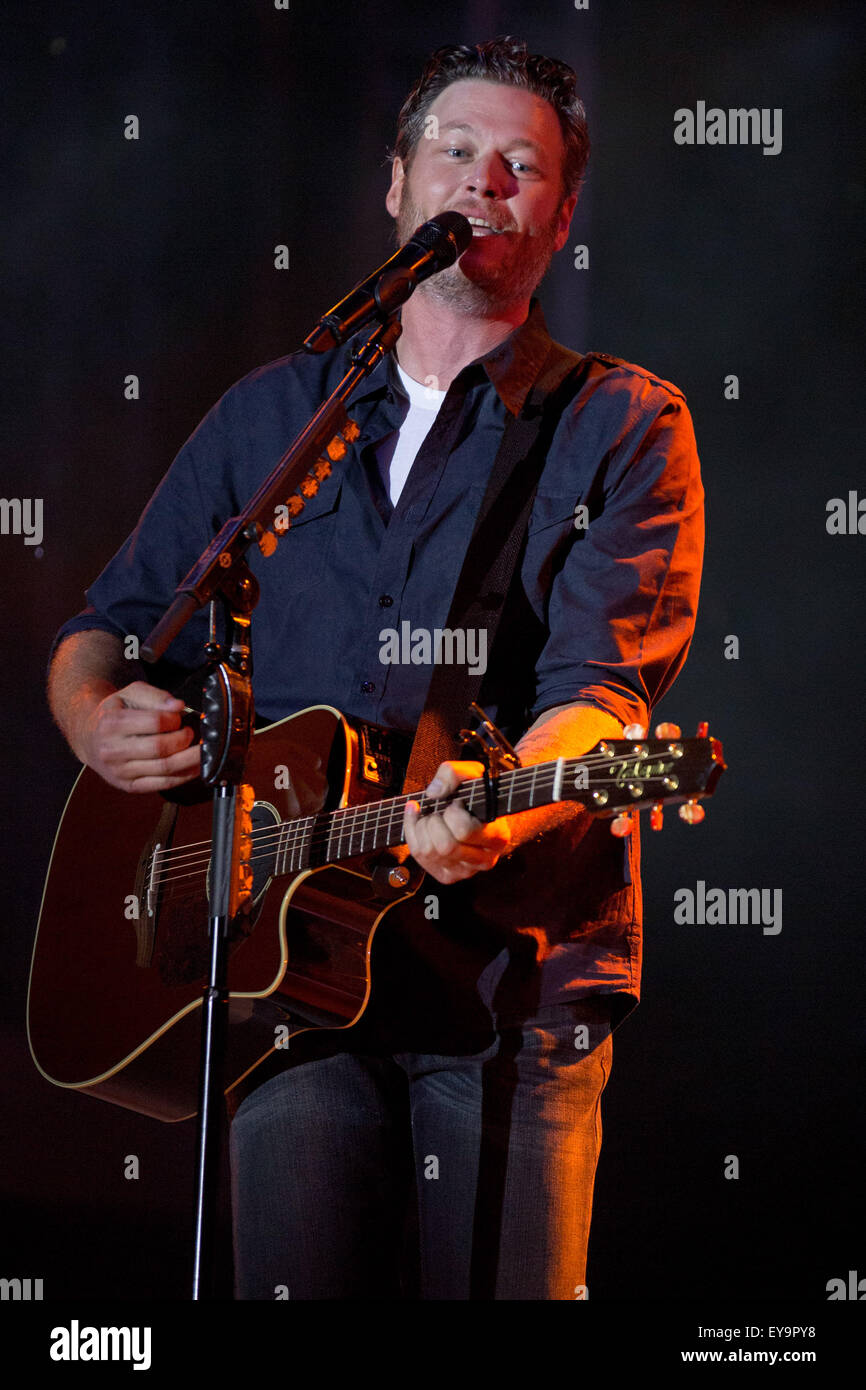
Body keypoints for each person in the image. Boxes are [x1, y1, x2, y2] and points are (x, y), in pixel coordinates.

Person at [47, 37, 704, 1299]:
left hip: (513, 978)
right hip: (285, 979)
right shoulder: (273, 416)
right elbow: (117, 624)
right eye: (456, 152)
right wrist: (91, 715)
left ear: (558, 219)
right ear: (395, 188)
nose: (485, 181)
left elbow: (600, 693)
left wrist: (502, 810)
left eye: (522, 166)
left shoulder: (620, 421)